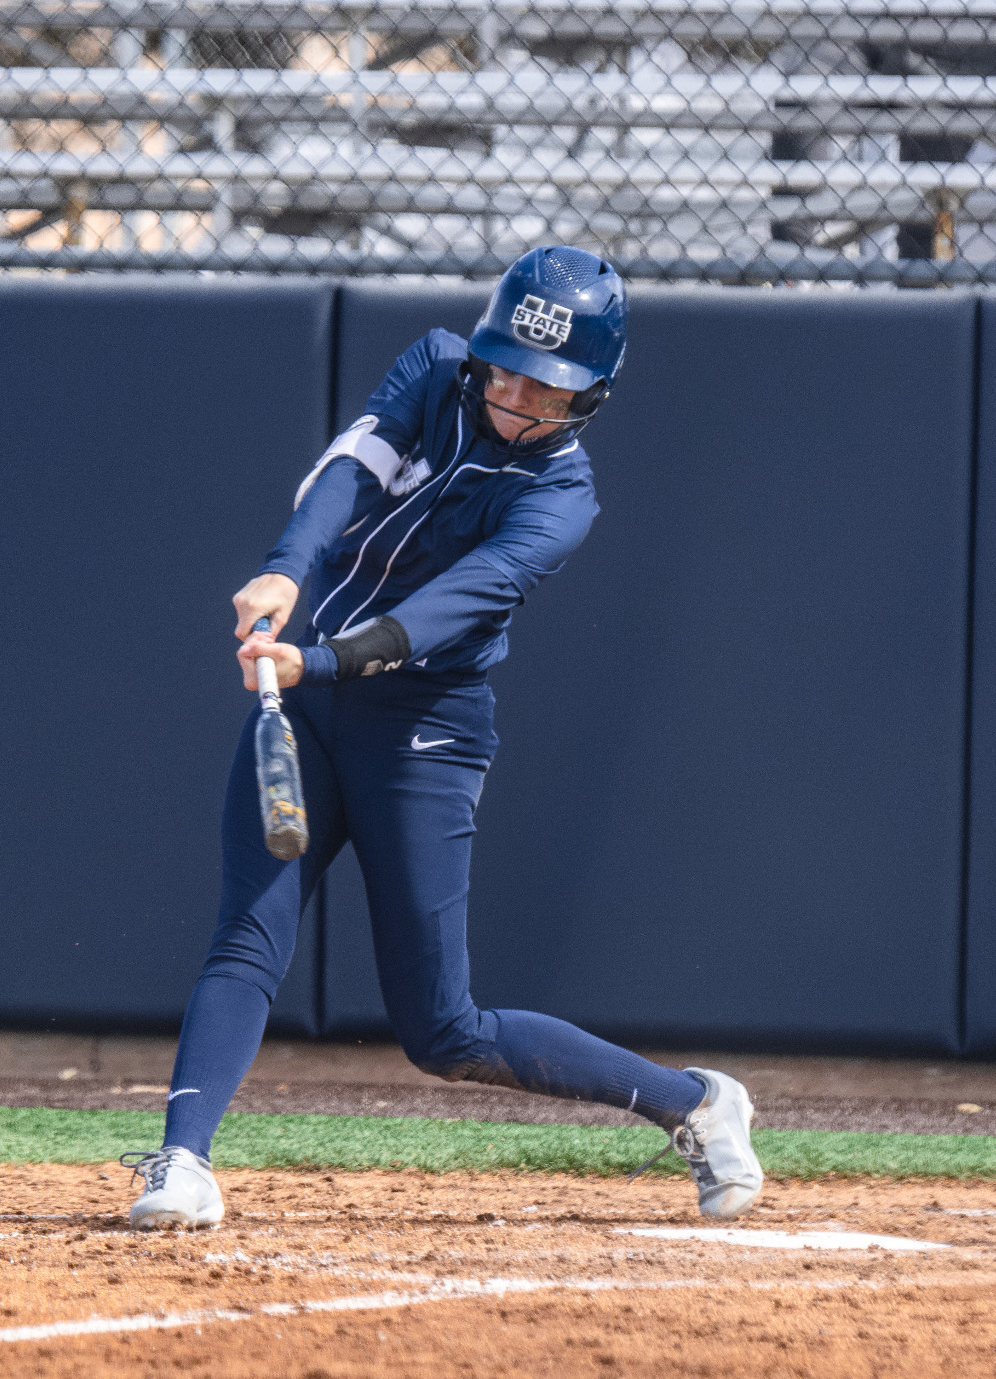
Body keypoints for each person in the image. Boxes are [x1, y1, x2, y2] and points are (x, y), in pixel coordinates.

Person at [118, 246, 763, 1229]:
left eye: (544, 389)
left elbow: (435, 616)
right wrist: (285, 570)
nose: (513, 399)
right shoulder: (434, 367)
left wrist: (314, 660)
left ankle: (695, 1102)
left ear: (588, 397)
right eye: (504, 371)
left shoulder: (560, 501)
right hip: (309, 701)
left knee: (443, 1030)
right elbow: (346, 473)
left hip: (421, 733)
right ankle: (182, 1159)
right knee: (246, 935)